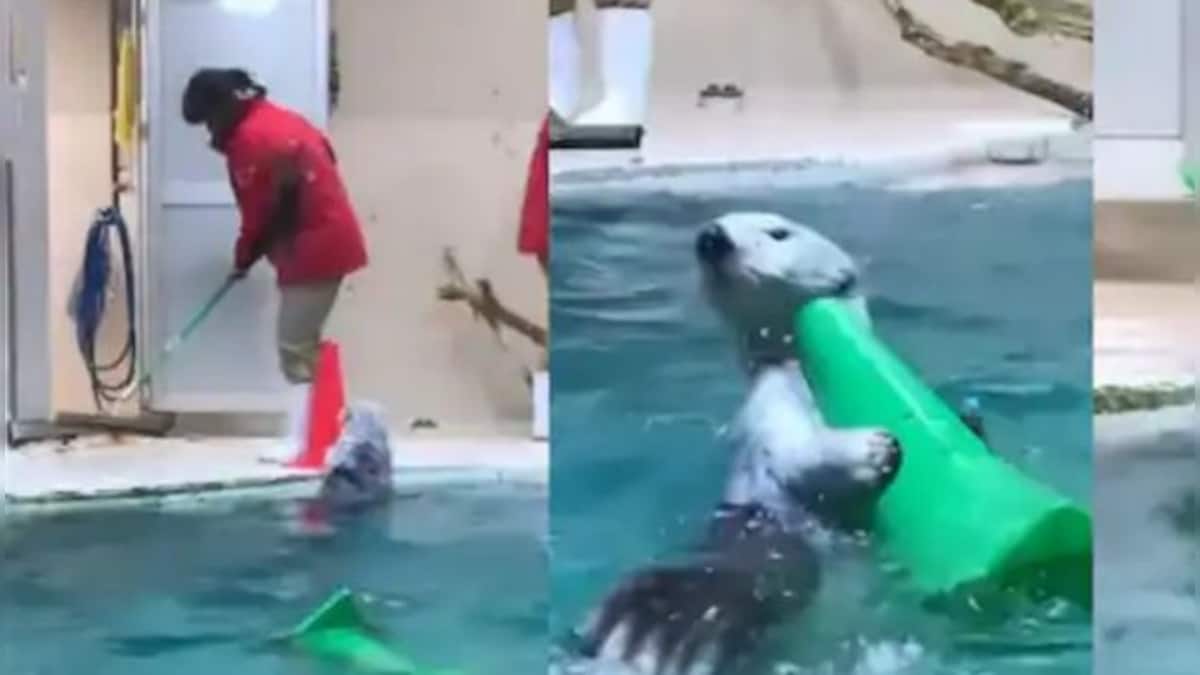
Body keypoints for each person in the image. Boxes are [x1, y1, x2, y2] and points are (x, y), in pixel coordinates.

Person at [181, 67, 368, 464]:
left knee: (295, 346)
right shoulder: (278, 118)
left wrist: (243, 258)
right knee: (305, 345)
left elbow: (259, 211)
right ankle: (328, 435)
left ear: (224, 107)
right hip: (324, 238)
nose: (210, 130)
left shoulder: (252, 140)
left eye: (209, 120)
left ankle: (310, 443)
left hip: (316, 246)